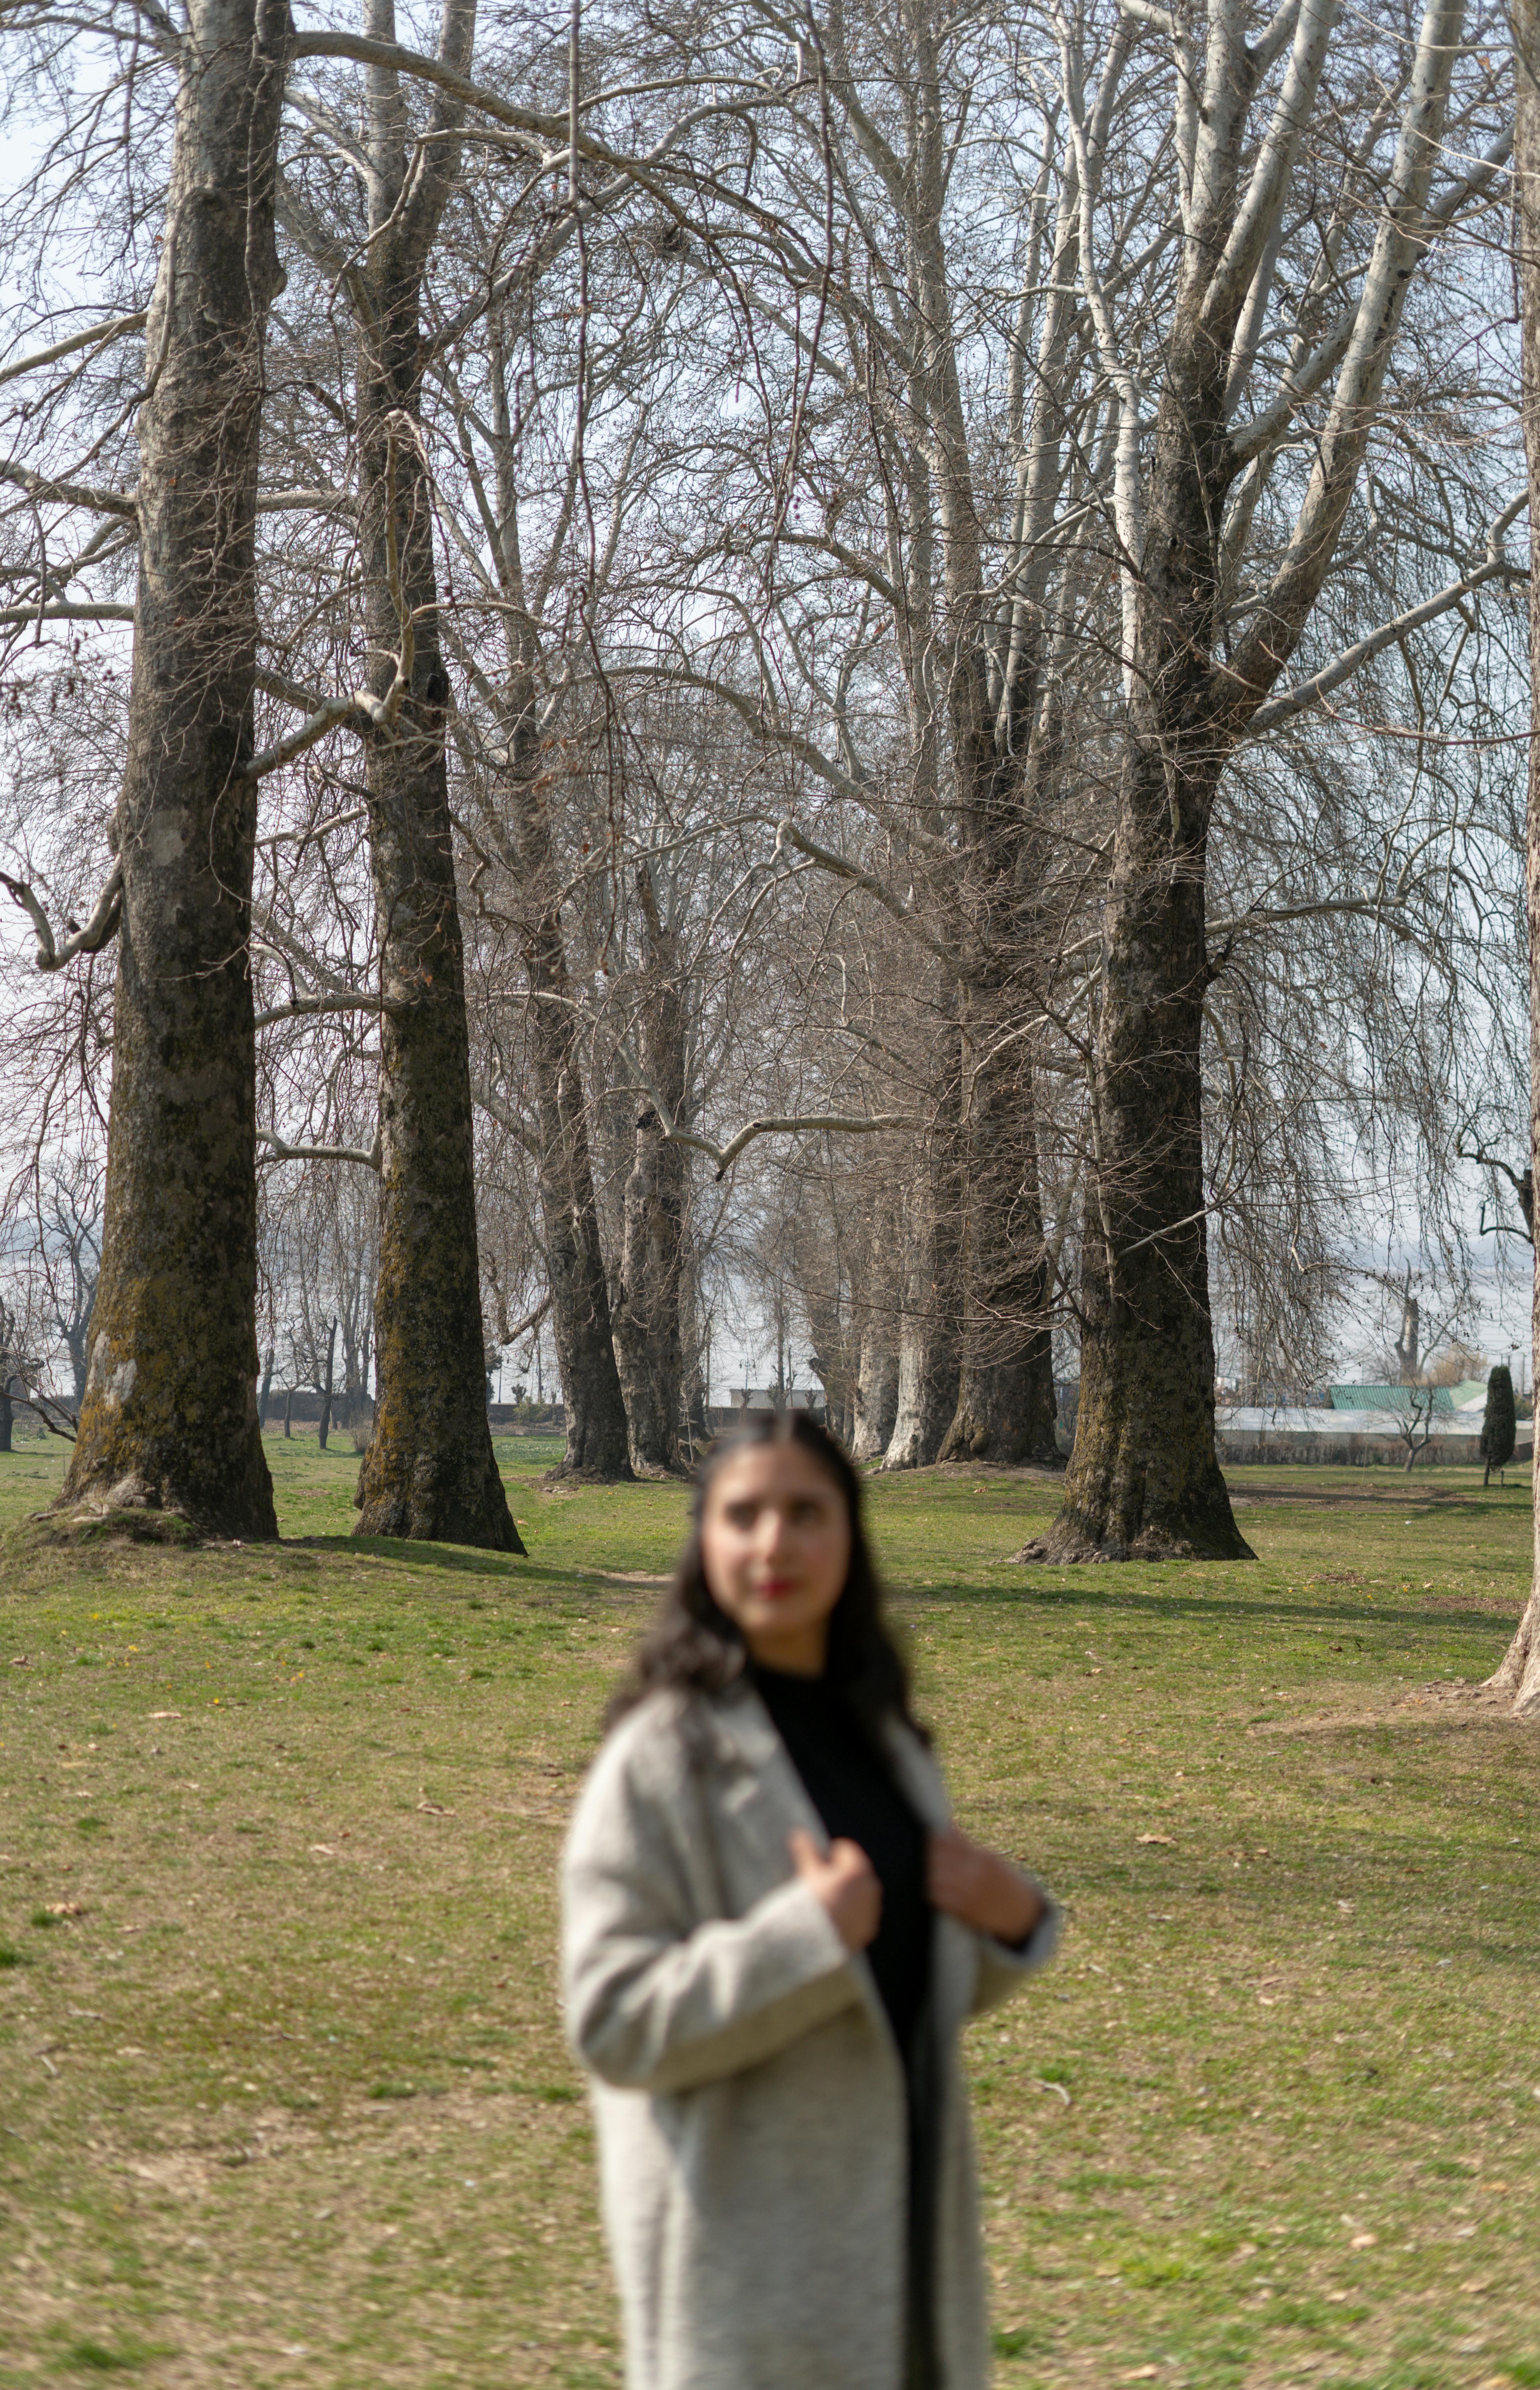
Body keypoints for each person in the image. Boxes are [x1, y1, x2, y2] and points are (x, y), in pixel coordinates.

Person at [561, 1410, 1059, 2390]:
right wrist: (803, 1939)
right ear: (703, 1543)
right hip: (749, 2273)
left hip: (902, 2260)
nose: (774, 1544)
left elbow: (889, 1989)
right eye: (743, 1515)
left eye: (806, 1513)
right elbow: (612, 2021)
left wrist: (1011, 1924)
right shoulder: (663, 1760)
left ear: (852, 1536)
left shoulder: (888, 1742)